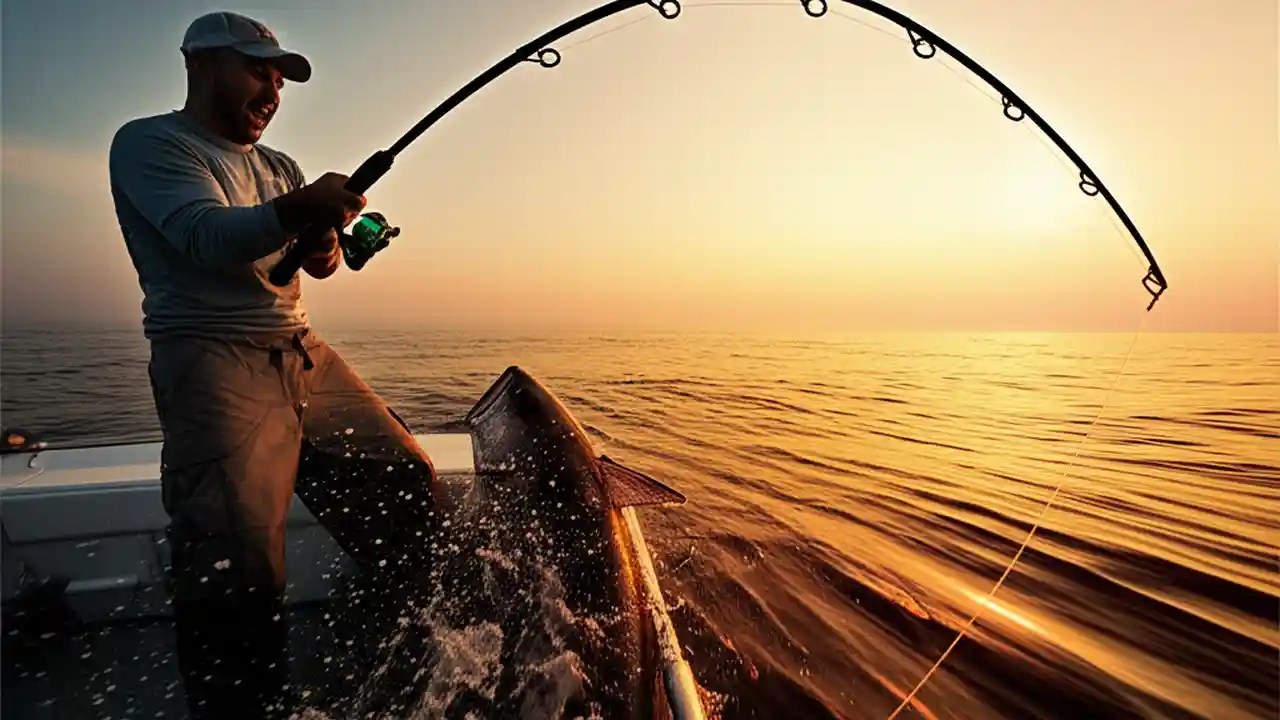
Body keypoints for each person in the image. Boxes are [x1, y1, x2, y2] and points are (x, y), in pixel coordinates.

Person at [108, 11, 437, 718]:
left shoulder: (279, 166)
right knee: (238, 569)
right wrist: (303, 207)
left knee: (404, 480)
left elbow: (307, 265)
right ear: (201, 64)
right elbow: (204, 236)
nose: (273, 90)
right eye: (260, 70)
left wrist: (320, 243)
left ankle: (400, 641)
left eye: (281, 78)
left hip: (300, 350)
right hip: (213, 359)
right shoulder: (150, 143)